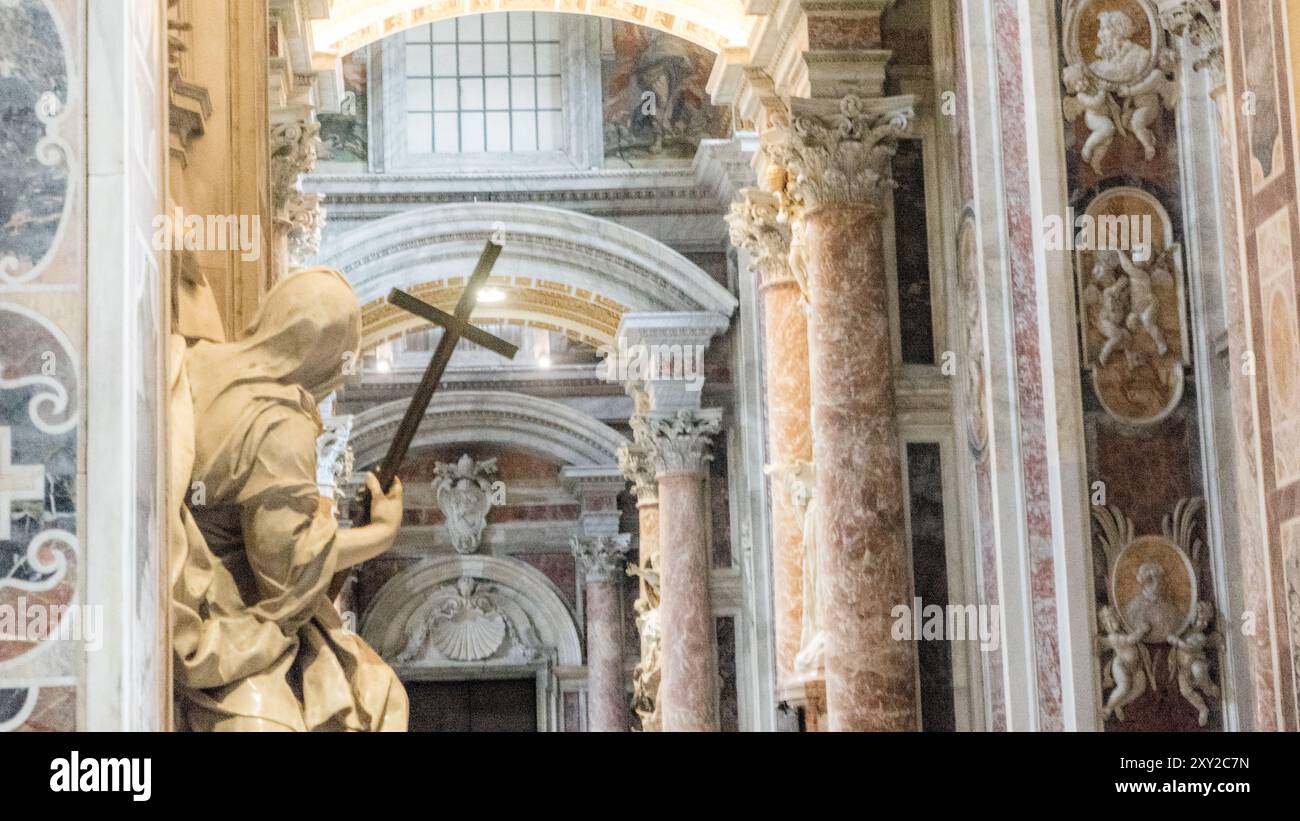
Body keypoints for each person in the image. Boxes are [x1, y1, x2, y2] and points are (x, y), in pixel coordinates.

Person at [169, 267, 408, 731]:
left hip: (179, 576)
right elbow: (289, 572)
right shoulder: (279, 424)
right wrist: (380, 534)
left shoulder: (195, 359)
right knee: (373, 702)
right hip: (219, 615)